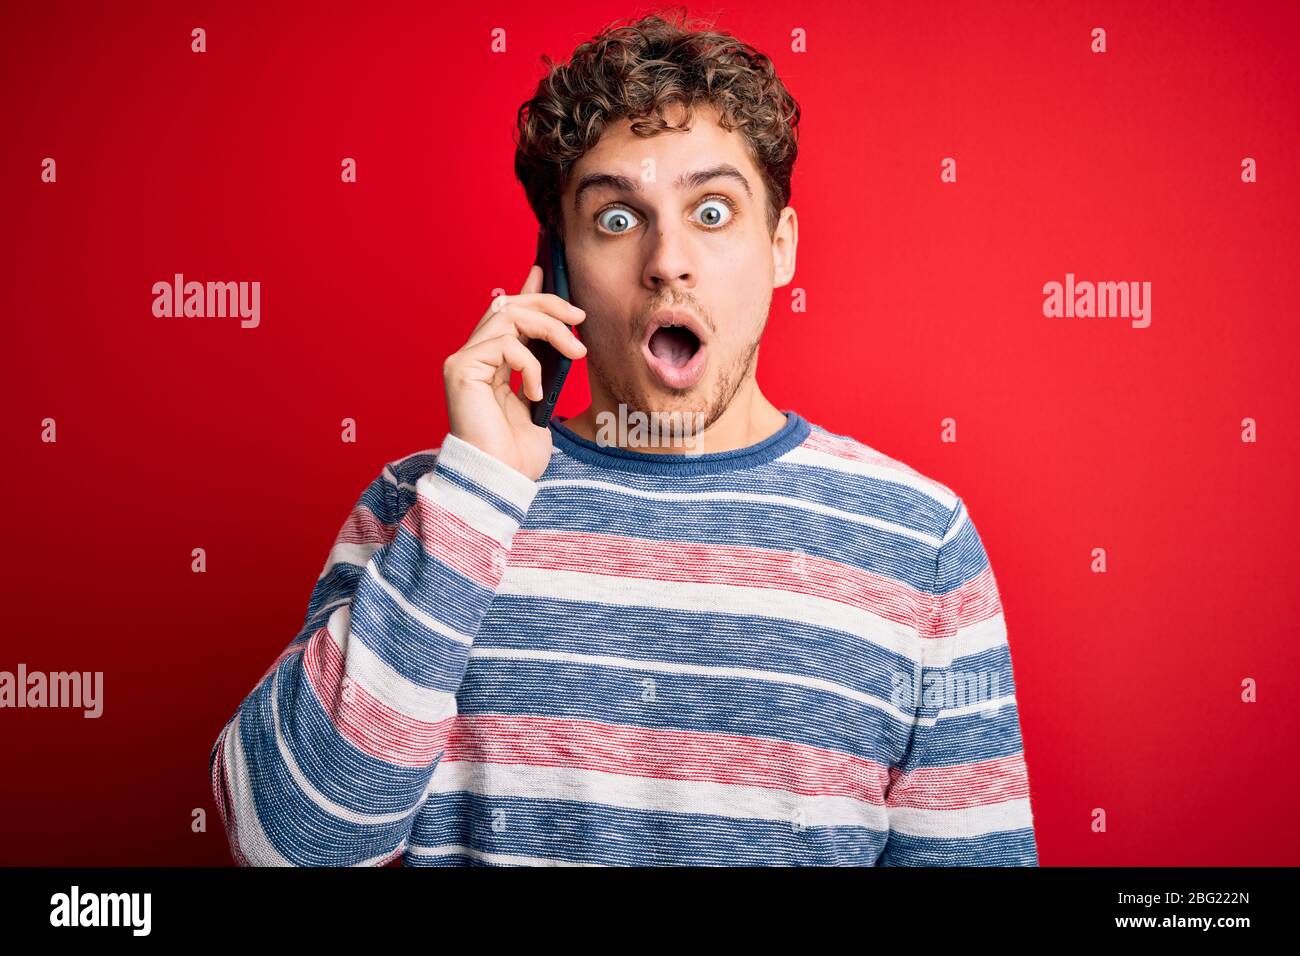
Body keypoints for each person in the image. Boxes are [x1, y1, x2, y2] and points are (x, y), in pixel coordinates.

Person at [208, 10, 1038, 866]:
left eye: (713, 211)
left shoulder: (919, 545)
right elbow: (285, 848)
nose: (667, 259)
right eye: (614, 220)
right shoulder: (427, 508)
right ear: (558, 266)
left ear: (780, 246)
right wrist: (475, 496)